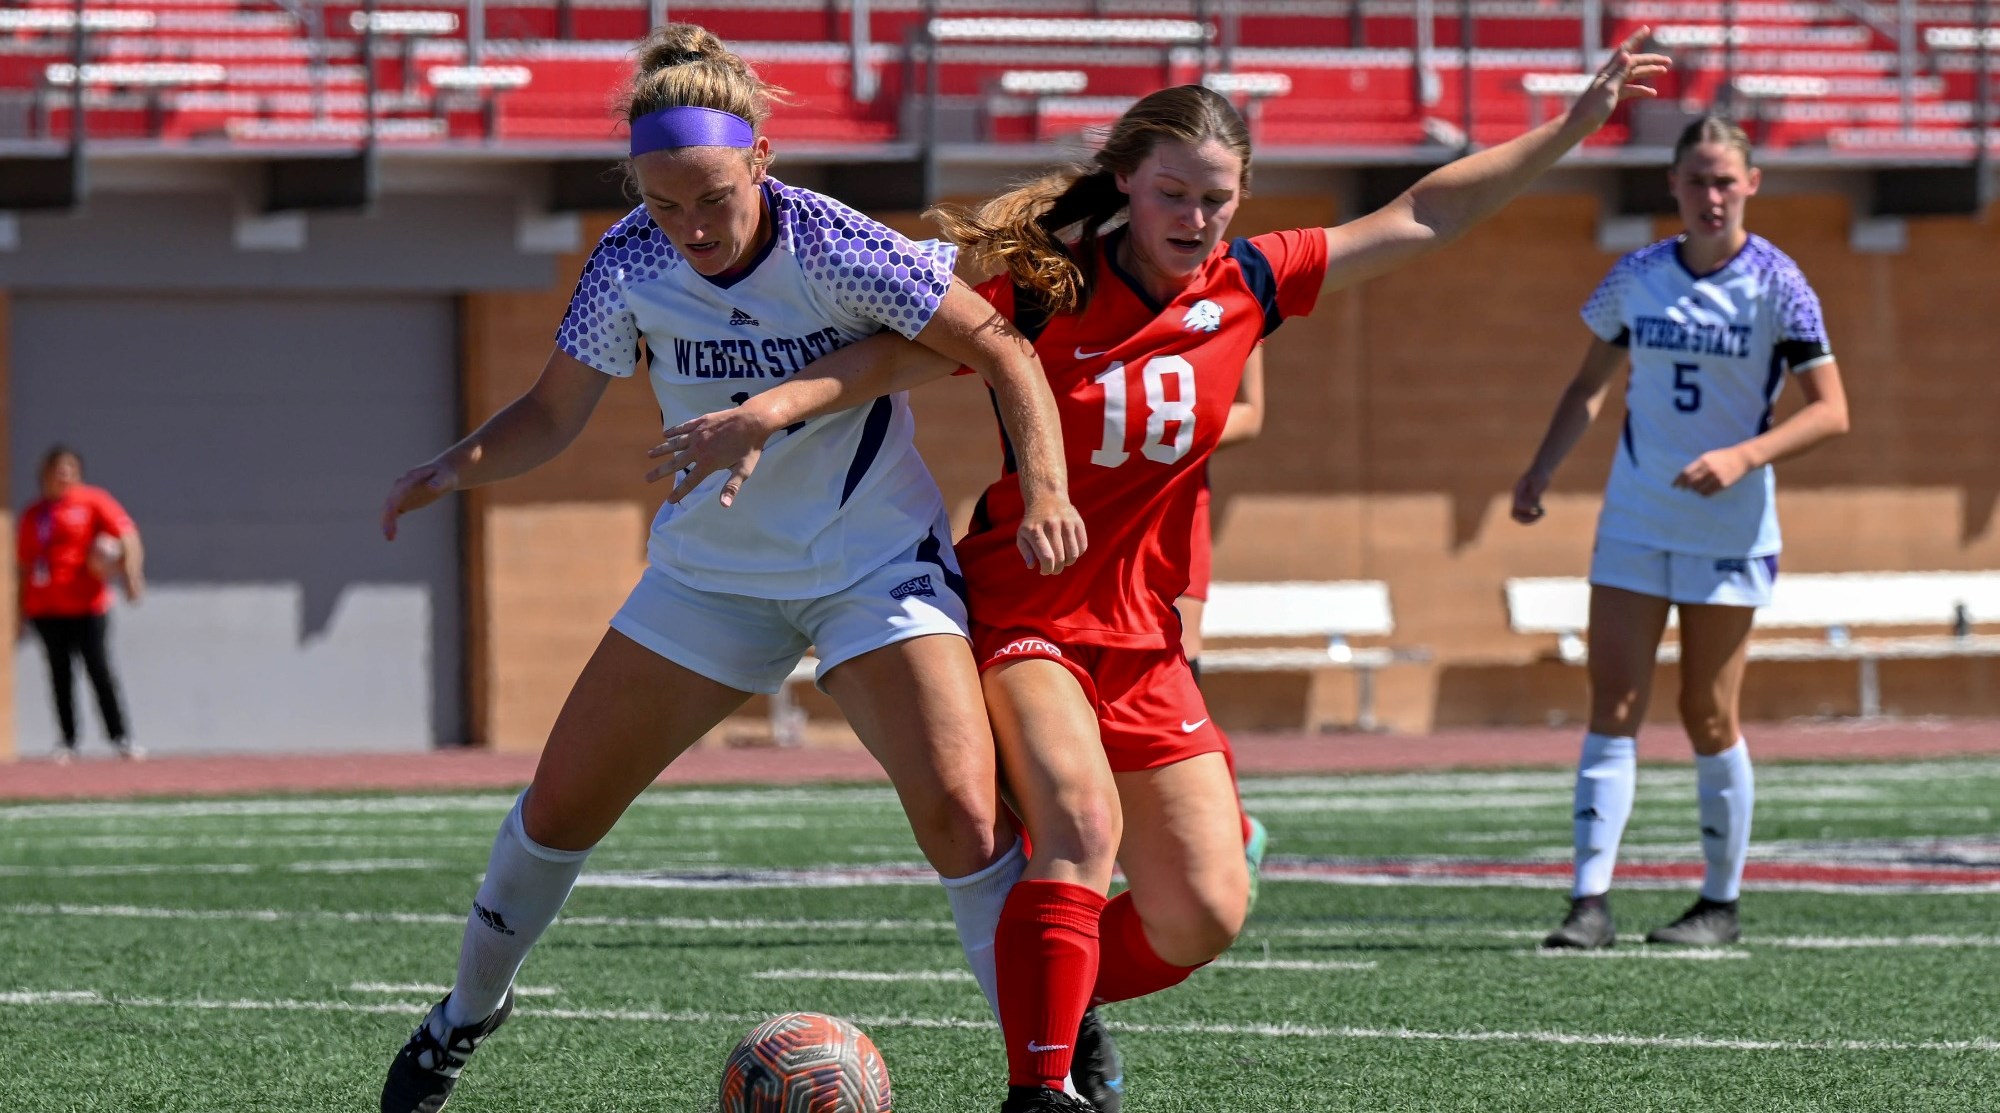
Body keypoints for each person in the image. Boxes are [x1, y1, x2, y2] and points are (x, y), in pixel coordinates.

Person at [658, 35, 1668, 1111]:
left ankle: (1061, 985)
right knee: (1083, 830)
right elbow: (890, 355)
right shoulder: (1046, 288)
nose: (1195, 217)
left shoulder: (1249, 283)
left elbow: (1423, 214)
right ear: (1126, 183)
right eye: (1173, 192)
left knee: (1205, 911)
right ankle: (1039, 1086)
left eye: (1216, 197)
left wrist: (1565, 129)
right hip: (1025, 612)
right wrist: (767, 409)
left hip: (1144, 637)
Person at [374, 23, 1085, 1113]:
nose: (691, 225)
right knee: (558, 809)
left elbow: (999, 345)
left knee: (960, 811)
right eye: (664, 202)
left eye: (711, 195)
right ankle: (463, 1016)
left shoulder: (836, 244)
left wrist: (1045, 490)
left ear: (760, 159)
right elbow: (552, 412)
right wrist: (452, 465)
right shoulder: (629, 260)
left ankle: (1051, 1068)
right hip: (709, 580)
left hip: (870, 566)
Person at [1512, 115, 1849, 950]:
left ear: (1752, 184)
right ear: (1672, 184)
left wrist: (1744, 455)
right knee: (1614, 702)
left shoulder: (1780, 283)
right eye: (1697, 179)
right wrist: (1542, 468)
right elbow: (1588, 384)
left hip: (1731, 526)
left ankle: (1720, 905)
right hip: (1634, 516)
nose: (1711, 195)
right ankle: (1589, 902)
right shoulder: (1636, 277)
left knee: (1707, 709)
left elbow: (1833, 412)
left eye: (1726, 180)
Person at [17, 445, 144, 762]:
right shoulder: (34, 514)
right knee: (60, 674)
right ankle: (67, 741)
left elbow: (127, 535)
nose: (63, 475)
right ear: (45, 474)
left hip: (88, 605)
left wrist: (131, 574)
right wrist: (19, 612)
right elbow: (24, 566)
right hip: (46, 608)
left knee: (98, 670)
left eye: (69, 469)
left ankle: (121, 737)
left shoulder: (93, 501)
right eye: (57, 469)